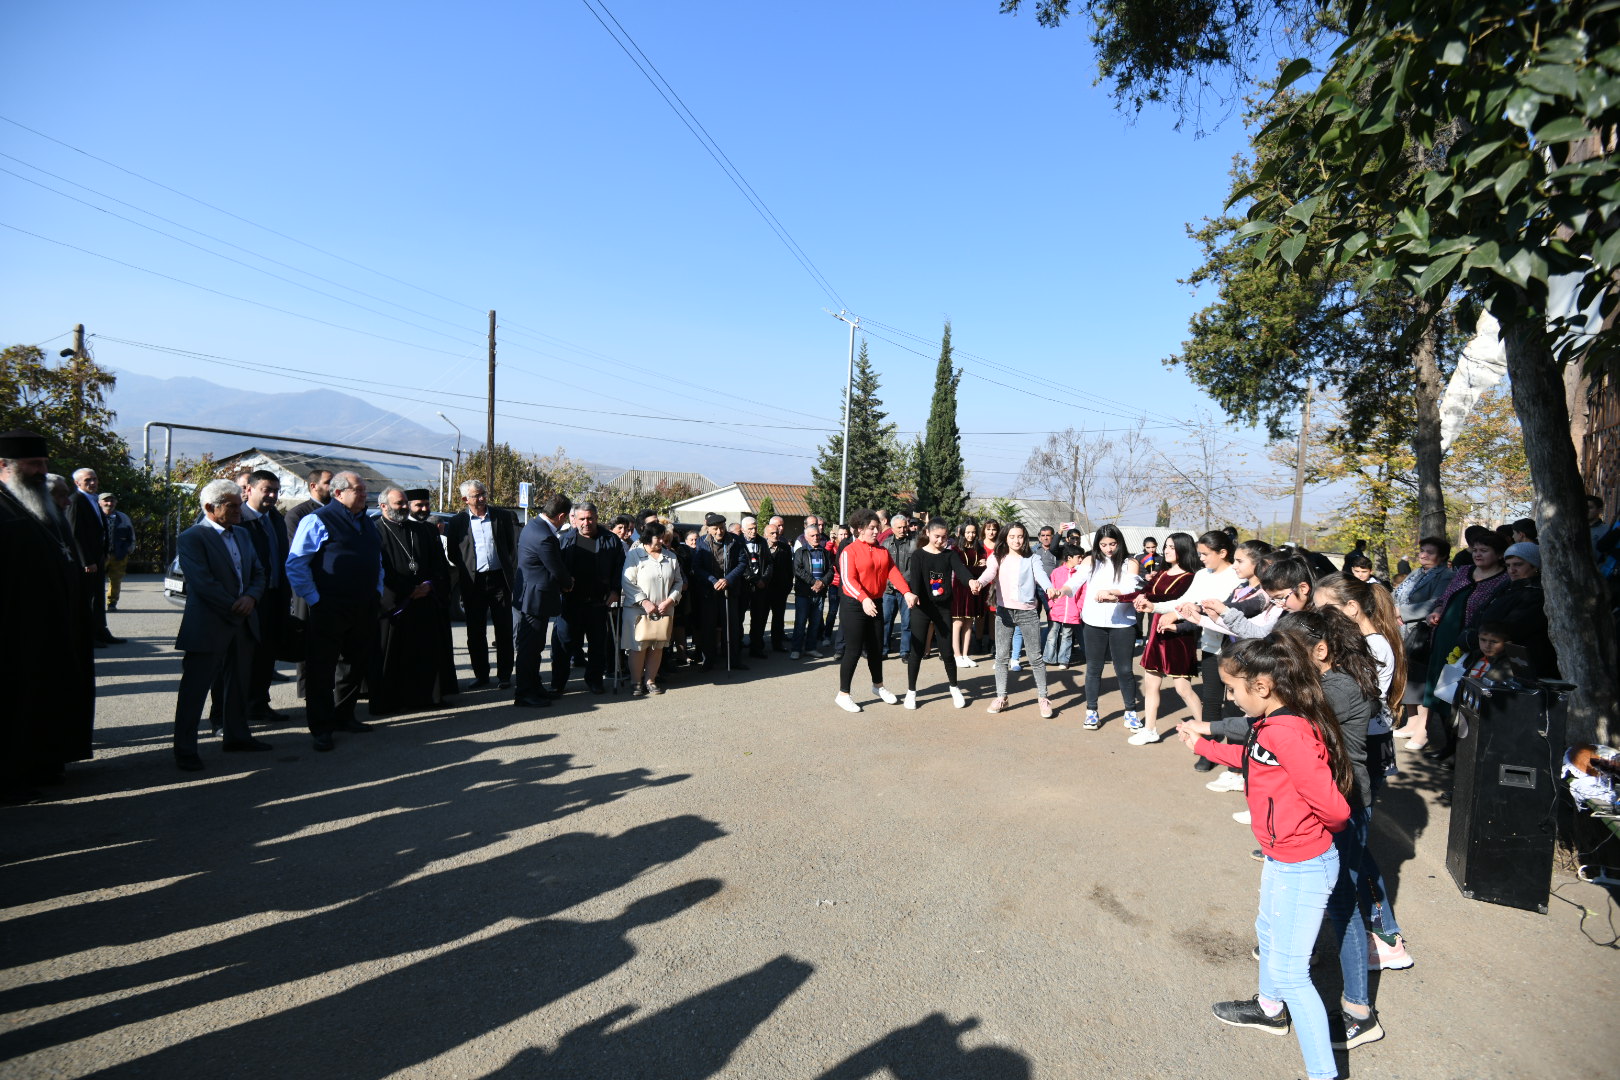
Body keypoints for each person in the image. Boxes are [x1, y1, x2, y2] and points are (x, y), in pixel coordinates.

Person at [1175, 635, 1353, 1080]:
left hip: (1301, 861)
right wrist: (1203, 745)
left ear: (1263, 685)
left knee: (1293, 973)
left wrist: (1305, 838)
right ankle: (1270, 1009)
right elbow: (1255, 760)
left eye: (1234, 691)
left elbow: (1335, 808)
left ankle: (1323, 1073)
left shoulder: (1288, 731)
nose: (1231, 700)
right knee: (1268, 933)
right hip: (1285, 856)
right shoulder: (1272, 727)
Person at [0, 430, 95, 795]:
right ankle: (12, 776)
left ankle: (46, 761)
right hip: (17, 630)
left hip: (59, 623)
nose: (42, 471)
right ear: (4, 466)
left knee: (52, 694)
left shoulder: (42, 504)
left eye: (44, 464)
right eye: (33, 464)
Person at [171, 479, 270, 770]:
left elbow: (259, 573)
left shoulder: (242, 534)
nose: (240, 510)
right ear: (210, 508)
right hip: (209, 625)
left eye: (240, 504)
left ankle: (237, 736)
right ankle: (185, 750)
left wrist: (251, 597)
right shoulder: (192, 538)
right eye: (232, 506)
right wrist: (234, 606)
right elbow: (202, 583)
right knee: (195, 691)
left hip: (243, 622)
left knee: (238, 685)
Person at [286, 471, 384, 751]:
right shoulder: (317, 520)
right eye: (359, 490)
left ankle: (344, 715)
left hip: (363, 605)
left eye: (365, 490)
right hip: (329, 606)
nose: (365, 494)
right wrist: (315, 599)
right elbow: (297, 564)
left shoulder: (366, 522)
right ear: (339, 493)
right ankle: (321, 727)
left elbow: (377, 561)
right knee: (321, 668)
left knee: (354, 664)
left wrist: (376, 592)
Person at [1420, 531, 1511, 761]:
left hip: (1471, 644)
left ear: (1499, 554)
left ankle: (1463, 751)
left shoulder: (1504, 580)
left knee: (1461, 695)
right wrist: (1437, 611)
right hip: (1443, 639)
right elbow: (1445, 599)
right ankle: (1449, 745)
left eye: (1484, 550)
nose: (1478, 554)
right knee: (1440, 690)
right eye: (1475, 550)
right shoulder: (1462, 572)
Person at [373, 487, 457, 714]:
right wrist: (408, 590)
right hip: (396, 605)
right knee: (394, 657)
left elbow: (440, 565)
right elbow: (377, 569)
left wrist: (429, 585)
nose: (402, 507)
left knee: (426, 652)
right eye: (398, 503)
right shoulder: (374, 532)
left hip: (425, 601)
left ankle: (428, 697)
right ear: (383, 506)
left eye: (403, 503)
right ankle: (392, 700)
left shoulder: (424, 530)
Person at [833, 508, 917, 713]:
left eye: (877, 528)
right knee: (853, 650)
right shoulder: (849, 551)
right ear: (860, 529)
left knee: (876, 648)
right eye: (871, 528)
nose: (875, 532)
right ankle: (843, 694)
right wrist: (863, 599)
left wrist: (906, 592)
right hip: (854, 605)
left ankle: (878, 686)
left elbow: (893, 572)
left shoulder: (882, 551)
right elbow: (848, 580)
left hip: (876, 603)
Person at [1121, 532, 1201, 746]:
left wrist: (1144, 600)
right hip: (1157, 630)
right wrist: (1117, 597)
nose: (1166, 550)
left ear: (1184, 549)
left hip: (1177, 635)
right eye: (1166, 546)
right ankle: (1150, 730)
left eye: (1172, 547)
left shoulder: (1191, 577)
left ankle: (1204, 728)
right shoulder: (1162, 572)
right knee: (1150, 684)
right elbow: (1146, 592)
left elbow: (1165, 600)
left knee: (1183, 688)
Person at [971, 522, 1056, 717]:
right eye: (1012, 536)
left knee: (1035, 657)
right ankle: (1001, 697)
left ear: (1025, 538)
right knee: (1001, 657)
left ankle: (1043, 698)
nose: (1016, 540)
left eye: (1020, 536)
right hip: (1004, 612)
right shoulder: (998, 557)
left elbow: (1041, 576)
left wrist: (1049, 587)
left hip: (1027, 613)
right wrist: (979, 583)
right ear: (1005, 538)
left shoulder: (1032, 558)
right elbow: (989, 573)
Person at [445, 479, 519, 690]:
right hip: (473, 582)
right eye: (477, 495)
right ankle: (481, 674)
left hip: (499, 580)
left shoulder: (501, 516)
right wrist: (467, 568)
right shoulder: (458, 522)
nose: (482, 498)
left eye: (483, 493)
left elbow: (511, 547)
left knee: (504, 629)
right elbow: (453, 552)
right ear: (465, 499)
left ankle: (504, 675)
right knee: (475, 631)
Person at [1077, 523, 1143, 732]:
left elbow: (1130, 588)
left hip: (1123, 623)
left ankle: (1130, 712)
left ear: (1119, 542)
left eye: (1112, 544)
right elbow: (1075, 581)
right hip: (1093, 622)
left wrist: (1110, 592)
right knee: (1093, 669)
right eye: (1104, 544)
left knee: (1124, 669)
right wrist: (1062, 590)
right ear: (1098, 544)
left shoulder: (1130, 562)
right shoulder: (1090, 560)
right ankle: (1091, 711)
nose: (1108, 549)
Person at [554, 502, 625, 696]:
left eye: (590, 518)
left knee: (597, 645)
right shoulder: (564, 540)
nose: (587, 522)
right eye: (582, 519)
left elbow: (620, 568)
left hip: (598, 602)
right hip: (570, 602)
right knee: (563, 644)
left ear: (596, 517)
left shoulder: (611, 540)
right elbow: (556, 568)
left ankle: (594, 680)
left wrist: (615, 590)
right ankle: (558, 683)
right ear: (574, 519)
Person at [1390, 536, 1454, 750]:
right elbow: (1398, 594)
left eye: (1430, 552)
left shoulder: (1446, 575)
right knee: (1407, 677)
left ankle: (1423, 729)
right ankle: (1412, 720)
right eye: (1422, 550)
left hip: (1422, 632)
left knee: (1421, 679)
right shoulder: (1418, 572)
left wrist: (1402, 612)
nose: (1423, 555)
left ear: (1443, 556)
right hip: (1402, 630)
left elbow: (1436, 602)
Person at [903, 519, 974, 709]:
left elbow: (962, 572)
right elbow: (915, 581)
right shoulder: (918, 555)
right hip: (922, 608)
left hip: (943, 609)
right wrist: (912, 595)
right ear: (928, 533)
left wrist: (971, 582)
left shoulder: (950, 555)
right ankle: (911, 691)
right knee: (916, 650)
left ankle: (954, 687)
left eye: (944, 537)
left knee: (947, 650)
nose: (940, 541)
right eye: (937, 537)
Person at [238, 469, 291, 724]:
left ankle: (260, 704)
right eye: (266, 490)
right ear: (249, 490)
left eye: (275, 491)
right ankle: (237, 710)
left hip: (274, 596)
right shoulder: (238, 520)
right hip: (249, 599)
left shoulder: (276, 519)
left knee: (266, 655)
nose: (271, 495)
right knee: (245, 656)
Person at [512, 494, 574, 706]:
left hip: (532, 595)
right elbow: (555, 568)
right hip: (535, 598)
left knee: (534, 646)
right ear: (562, 515)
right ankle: (524, 692)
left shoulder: (534, 525)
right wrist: (569, 583)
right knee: (529, 648)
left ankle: (534, 686)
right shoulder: (544, 535)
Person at [621, 521, 684, 695]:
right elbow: (627, 581)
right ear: (648, 537)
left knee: (658, 646)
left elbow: (678, 582)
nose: (662, 541)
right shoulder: (635, 554)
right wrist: (644, 602)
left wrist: (670, 601)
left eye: (663, 537)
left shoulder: (670, 556)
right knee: (638, 646)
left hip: (664, 610)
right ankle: (636, 682)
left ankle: (650, 680)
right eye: (658, 537)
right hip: (638, 610)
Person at [1472, 541, 1554, 676]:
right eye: (1508, 565)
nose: (1512, 570)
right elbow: (1481, 612)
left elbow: (1511, 629)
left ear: (1535, 566)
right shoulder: (1508, 586)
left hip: (1515, 663)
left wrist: (1475, 637)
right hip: (1494, 656)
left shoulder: (1537, 593)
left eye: (1518, 564)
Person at [67, 467, 119, 646]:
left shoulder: (93, 500)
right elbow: (74, 533)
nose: (92, 483)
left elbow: (100, 529)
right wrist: (86, 560)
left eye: (94, 479)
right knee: (87, 598)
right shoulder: (75, 501)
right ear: (77, 483)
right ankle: (88, 635)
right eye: (88, 480)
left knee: (98, 597)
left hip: (97, 557)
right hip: (86, 561)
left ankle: (101, 631)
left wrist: (103, 554)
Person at [695, 513, 748, 670]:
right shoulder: (701, 542)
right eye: (715, 529)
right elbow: (697, 567)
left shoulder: (735, 540)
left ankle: (733, 660)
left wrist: (728, 579)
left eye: (722, 528)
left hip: (729, 590)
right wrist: (713, 580)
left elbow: (742, 562)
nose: (719, 532)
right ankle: (708, 660)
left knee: (731, 627)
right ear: (708, 529)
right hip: (709, 590)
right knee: (708, 627)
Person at [790, 518, 833, 659]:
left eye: (818, 535)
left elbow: (830, 571)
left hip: (819, 594)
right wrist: (814, 582)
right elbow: (798, 570)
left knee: (815, 624)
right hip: (804, 594)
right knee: (800, 623)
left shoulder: (824, 552)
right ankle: (796, 649)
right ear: (806, 537)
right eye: (812, 535)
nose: (816, 538)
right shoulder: (800, 552)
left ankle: (811, 648)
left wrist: (822, 583)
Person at [1042, 544, 1085, 669]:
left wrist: (1079, 608)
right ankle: (1049, 658)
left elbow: (1083, 593)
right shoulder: (1056, 572)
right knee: (1052, 634)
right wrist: (1051, 604)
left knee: (1067, 635)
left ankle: (1064, 660)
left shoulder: (1081, 574)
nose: (1081, 560)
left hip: (1072, 611)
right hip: (1056, 610)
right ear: (1069, 557)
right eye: (1079, 557)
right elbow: (1049, 590)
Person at [881, 514, 917, 660]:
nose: (903, 530)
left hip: (906, 590)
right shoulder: (885, 544)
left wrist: (900, 582)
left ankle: (905, 652)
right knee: (885, 621)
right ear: (892, 528)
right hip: (888, 590)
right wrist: (892, 582)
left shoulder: (914, 543)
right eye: (899, 527)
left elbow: (914, 567)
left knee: (907, 622)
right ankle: (883, 650)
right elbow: (882, 566)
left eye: (904, 527)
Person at [950, 521, 984, 666]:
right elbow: (959, 569)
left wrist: (973, 569)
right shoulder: (955, 549)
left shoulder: (979, 548)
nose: (971, 535)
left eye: (973, 532)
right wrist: (974, 568)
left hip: (975, 588)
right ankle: (957, 655)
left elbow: (983, 569)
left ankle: (965, 654)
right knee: (958, 622)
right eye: (968, 532)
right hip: (959, 587)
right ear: (962, 532)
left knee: (969, 622)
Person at [762, 516, 795, 653]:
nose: (776, 535)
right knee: (761, 617)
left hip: (780, 590)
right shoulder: (761, 547)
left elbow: (789, 569)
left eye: (777, 533)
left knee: (778, 618)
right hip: (763, 589)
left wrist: (787, 586)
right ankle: (757, 645)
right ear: (765, 535)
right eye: (772, 533)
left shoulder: (785, 548)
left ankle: (777, 644)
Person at [98, 492, 135, 611]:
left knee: (116, 580)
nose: (109, 503)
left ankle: (112, 603)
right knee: (96, 580)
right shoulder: (96, 516)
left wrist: (129, 549)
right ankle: (96, 603)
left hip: (119, 554)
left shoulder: (123, 517)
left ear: (116, 503)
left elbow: (131, 534)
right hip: (99, 554)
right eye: (106, 500)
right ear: (99, 503)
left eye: (112, 501)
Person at [282, 468, 334, 537]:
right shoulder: (297, 514)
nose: (333, 486)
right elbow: (295, 545)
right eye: (328, 482)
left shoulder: (340, 511)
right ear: (314, 486)